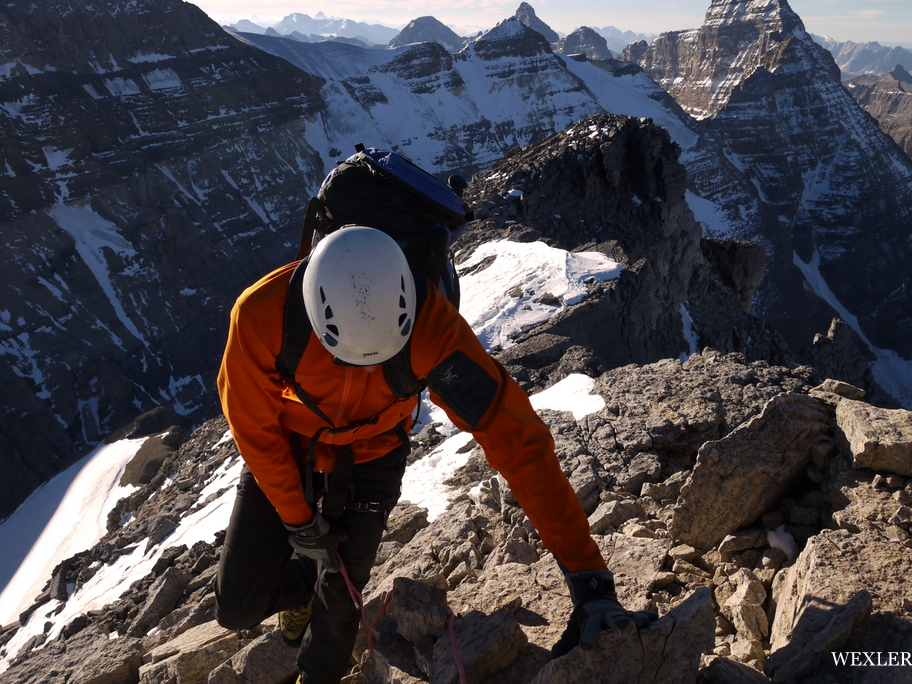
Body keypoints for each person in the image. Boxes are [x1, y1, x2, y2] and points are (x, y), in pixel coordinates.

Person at [214, 221, 655, 683]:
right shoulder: (260, 314)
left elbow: (518, 440)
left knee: (339, 610)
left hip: (374, 453)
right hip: (291, 448)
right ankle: (304, 583)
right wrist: (299, 519)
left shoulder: (433, 330)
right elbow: (253, 427)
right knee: (237, 607)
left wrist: (591, 583)